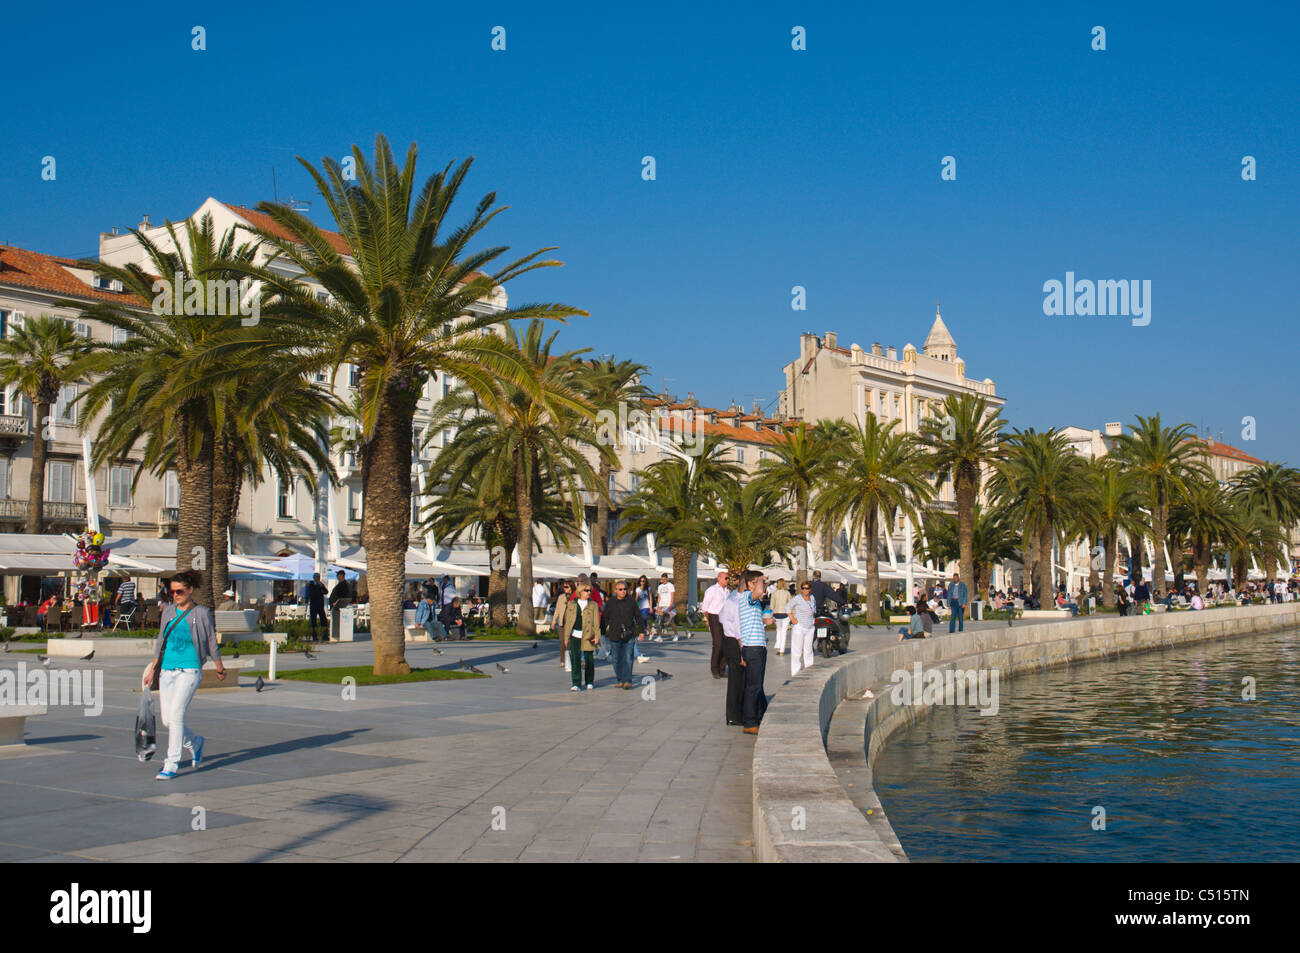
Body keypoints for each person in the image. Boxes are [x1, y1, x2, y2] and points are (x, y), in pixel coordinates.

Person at [141, 570, 224, 780]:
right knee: (168, 720)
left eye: (179, 591)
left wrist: (219, 666)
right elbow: (161, 641)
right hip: (167, 671)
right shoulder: (168, 611)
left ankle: (171, 763)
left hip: (189, 670)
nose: (175, 595)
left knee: (176, 716)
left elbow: (211, 641)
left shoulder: (201, 613)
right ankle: (194, 743)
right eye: (172, 592)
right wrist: (153, 669)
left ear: (190, 590)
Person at [736, 570, 770, 735]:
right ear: (750, 583)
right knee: (753, 686)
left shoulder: (753, 601)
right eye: (757, 581)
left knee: (757, 685)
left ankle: (758, 716)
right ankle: (749, 722)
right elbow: (758, 591)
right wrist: (761, 580)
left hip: (758, 646)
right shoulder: (746, 596)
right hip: (753, 648)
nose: (761, 584)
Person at [601, 580, 645, 689]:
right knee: (616, 659)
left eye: (625, 589)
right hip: (615, 634)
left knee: (628, 658)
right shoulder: (611, 602)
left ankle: (627, 681)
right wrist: (601, 633)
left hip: (629, 634)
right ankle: (620, 679)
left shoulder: (631, 601)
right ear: (615, 590)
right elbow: (604, 618)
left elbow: (638, 617)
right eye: (620, 589)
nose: (623, 591)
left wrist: (641, 631)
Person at [558, 581, 600, 691]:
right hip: (575, 635)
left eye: (590, 590)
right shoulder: (572, 604)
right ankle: (576, 683)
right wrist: (566, 637)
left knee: (589, 660)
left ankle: (589, 681)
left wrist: (597, 636)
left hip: (588, 635)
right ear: (580, 591)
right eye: (586, 590)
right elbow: (568, 622)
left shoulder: (593, 605)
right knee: (575, 659)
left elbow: (596, 622)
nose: (589, 592)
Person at [719, 584, 745, 725]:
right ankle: (734, 716)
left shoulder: (732, 598)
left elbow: (722, 618)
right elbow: (738, 628)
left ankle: (736, 713)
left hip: (730, 639)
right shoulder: (736, 602)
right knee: (736, 681)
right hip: (735, 641)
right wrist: (741, 651)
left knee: (738, 680)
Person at [701, 568, 731, 678]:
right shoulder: (712, 590)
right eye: (725, 578)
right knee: (718, 644)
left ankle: (722, 668)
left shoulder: (728, 591)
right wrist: (710, 621)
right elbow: (705, 608)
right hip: (715, 617)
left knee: (726, 644)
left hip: (726, 618)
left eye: (728, 578)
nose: (727, 580)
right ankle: (715, 669)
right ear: (719, 578)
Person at [789, 581, 817, 676]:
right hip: (800, 627)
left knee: (808, 650)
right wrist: (792, 618)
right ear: (801, 589)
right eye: (804, 588)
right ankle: (795, 672)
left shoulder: (812, 598)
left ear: (810, 589)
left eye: (808, 588)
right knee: (797, 650)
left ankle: (809, 669)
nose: (806, 590)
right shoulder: (798, 598)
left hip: (810, 626)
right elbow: (787, 607)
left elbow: (813, 610)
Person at [553, 580, 574, 672]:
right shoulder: (561, 597)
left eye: (566, 587)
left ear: (571, 588)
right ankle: (563, 660)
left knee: (569, 642)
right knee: (562, 642)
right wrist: (554, 621)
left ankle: (571, 659)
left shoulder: (575, 597)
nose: (564, 589)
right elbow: (557, 610)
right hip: (562, 622)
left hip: (571, 623)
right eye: (564, 587)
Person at [770, 578, 791, 656]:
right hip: (785, 614)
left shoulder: (774, 593)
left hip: (776, 614)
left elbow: (772, 606)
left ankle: (778, 647)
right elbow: (790, 604)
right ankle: (782, 650)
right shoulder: (787, 593)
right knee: (784, 632)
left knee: (778, 631)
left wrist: (771, 615)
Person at [304, 572, 328, 640]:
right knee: (313, 621)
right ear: (314, 578)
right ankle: (314, 636)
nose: (317, 579)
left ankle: (325, 635)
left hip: (320, 605)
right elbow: (311, 594)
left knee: (323, 620)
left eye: (318, 577)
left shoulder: (321, 585)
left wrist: (321, 586)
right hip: (314, 605)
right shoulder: (311, 585)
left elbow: (326, 592)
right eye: (316, 577)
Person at [654, 573, 677, 641]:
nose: (663, 580)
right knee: (659, 621)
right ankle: (659, 637)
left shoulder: (670, 585)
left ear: (667, 579)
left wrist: (670, 605)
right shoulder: (660, 586)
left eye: (664, 579)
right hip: (661, 605)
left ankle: (676, 634)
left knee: (670, 621)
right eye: (662, 579)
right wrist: (658, 606)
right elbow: (659, 597)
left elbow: (672, 596)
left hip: (668, 605)